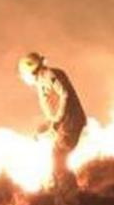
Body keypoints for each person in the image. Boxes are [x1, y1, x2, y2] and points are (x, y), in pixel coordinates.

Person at [18, 52, 87, 193]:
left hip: (69, 122)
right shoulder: (42, 80)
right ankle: (63, 192)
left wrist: (58, 118)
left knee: (58, 159)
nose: (23, 77)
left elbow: (64, 94)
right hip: (65, 123)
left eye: (24, 74)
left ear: (31, 71)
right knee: (58, 159)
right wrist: (45, 127)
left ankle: (69, 197)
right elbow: (53, 109)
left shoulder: (49, 75)